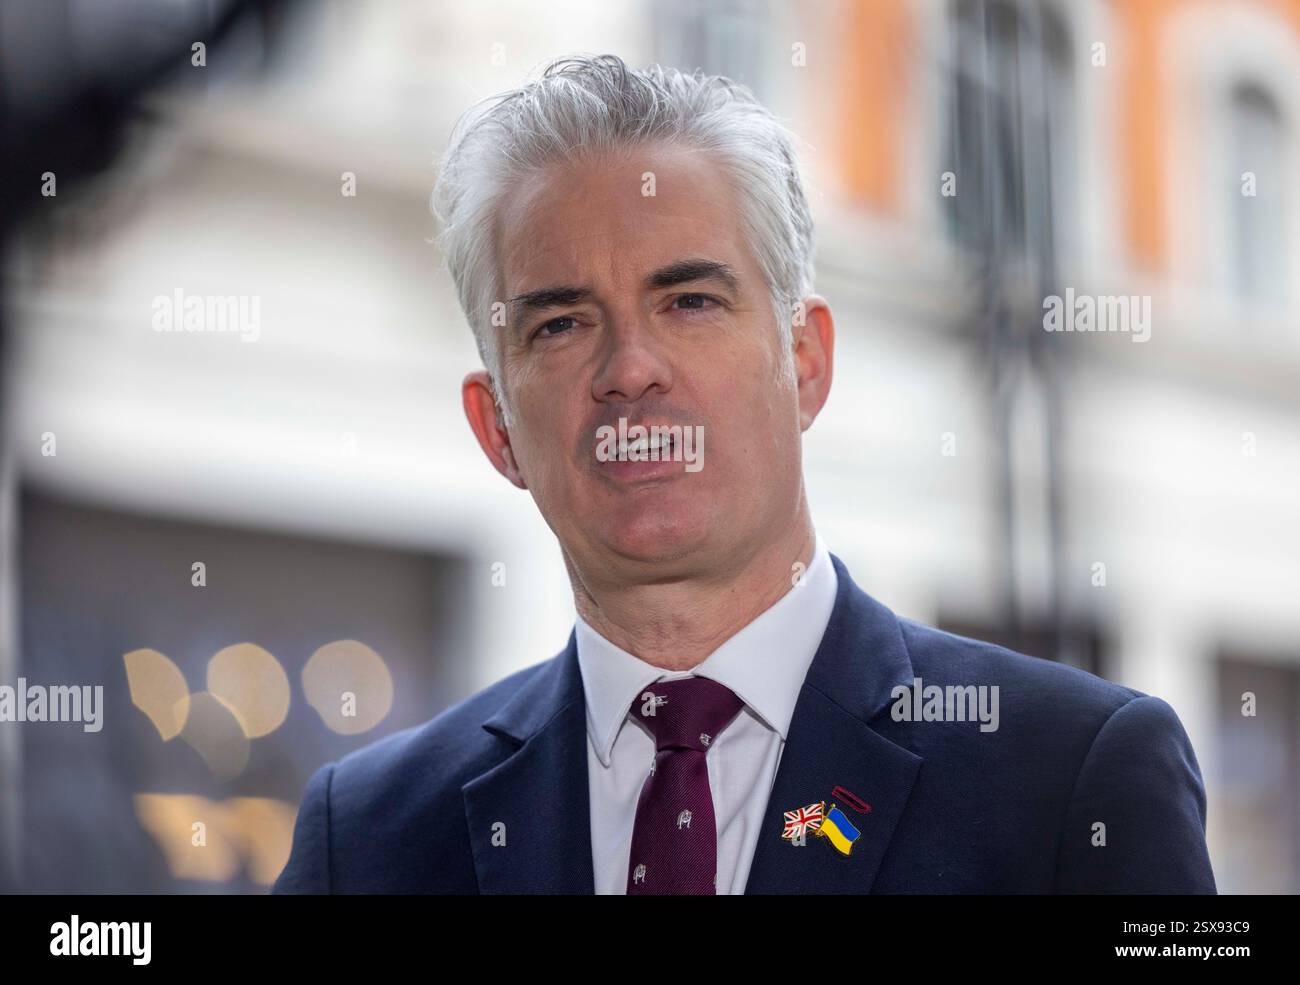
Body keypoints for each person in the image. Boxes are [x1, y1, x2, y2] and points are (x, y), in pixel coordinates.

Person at [273, 54, 1216, 894]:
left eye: (689, 300)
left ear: (805, 361)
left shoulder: (1072, 774)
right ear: (498, 429)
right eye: (559, 323)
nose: (630, 367)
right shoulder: (366, 837)